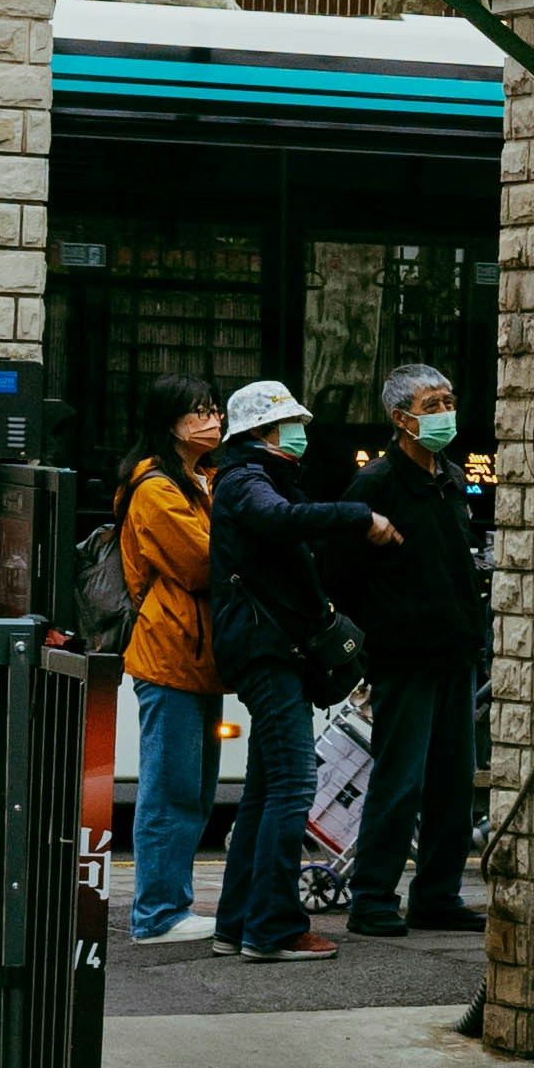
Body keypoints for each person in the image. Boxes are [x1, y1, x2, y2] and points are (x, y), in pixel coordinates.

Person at [205, 378, 401, 962]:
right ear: (261, 433)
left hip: (270, 649)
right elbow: (280, 521)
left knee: (266, 792)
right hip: (269, 653)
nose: (302, 433)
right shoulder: (246, 481)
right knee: (293, 785)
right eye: (291, 424)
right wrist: (359, 515)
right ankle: (273, 929)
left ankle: (237, 923)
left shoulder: (253, 478)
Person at [345, 366, 484, 937]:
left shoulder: (449, 478)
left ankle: (437, 894)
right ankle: (372, 897)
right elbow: (344, 573)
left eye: (449, 399)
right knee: (400, 780)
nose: (446, 412)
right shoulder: (376, 484)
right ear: (402, 419)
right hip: (403, 657)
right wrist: (369, 650)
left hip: (455, 652)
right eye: (433, 403)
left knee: (454, 782)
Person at [115, 387, 227, 943]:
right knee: (171, 790)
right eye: (202, 412)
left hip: (195, 656)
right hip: (171, 654)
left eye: (216, 409)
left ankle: (170, 908)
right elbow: (204, 562)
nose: (215, 420)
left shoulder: (197, 480)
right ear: (171, 423)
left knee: (195, 789)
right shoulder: (157, 490)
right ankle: (158, 915)